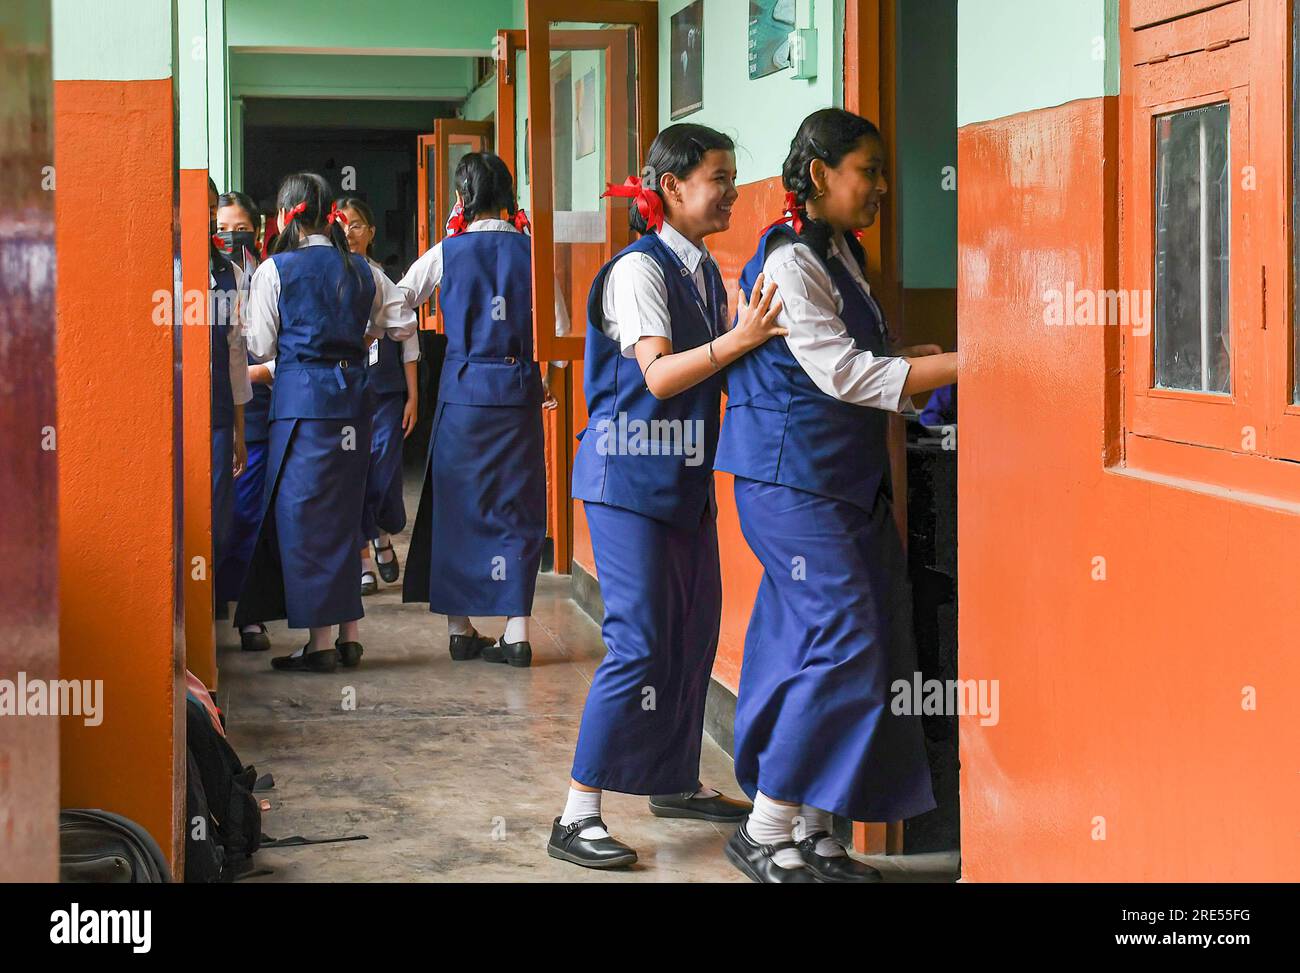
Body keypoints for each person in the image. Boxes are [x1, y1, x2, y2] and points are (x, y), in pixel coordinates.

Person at [714, 108, 957, 882]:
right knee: (847, 639)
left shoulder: (843, 254)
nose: (882, 187)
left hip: (841, 479)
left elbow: (865, 359)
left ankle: (815, 830)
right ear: (820, 176)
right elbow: (848, 376)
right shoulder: (790, 264)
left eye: (884, 173)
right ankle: (765, 826)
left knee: (859, 639)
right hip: (792, 481)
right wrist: (970, 360)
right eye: (869, 171)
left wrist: (917, 359)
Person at [547, 124, 786, 870]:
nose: (734, 191)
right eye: (720, 177)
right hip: (626, 481)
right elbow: (657, 376)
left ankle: (672, 779)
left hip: (679, 478)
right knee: (643, 641)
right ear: (673, 186)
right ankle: (576, 812)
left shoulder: (703, 272)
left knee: (691, 631)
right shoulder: (636, 272)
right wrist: (740, 339)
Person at [234, 172, 417, 672]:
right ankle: (348, 634)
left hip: (303, 406)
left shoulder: (277, 269)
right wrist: (362, 337)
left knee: (305, 520)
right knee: (346, 511)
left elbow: (264, 346)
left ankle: (319, 644)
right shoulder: (361, 269)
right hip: (354, 401)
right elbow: (405, 323)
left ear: (285, 215)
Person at [398, 152, 564, 668]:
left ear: (461, 200)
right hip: (515, 391)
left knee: (459, 506)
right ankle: (516, 633)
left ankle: (460, 628)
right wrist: (543, 381)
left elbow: (398, 302)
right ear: (509, 197)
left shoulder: (447, 253)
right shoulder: (532, 253)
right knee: (516, 507)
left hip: (463, 389)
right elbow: (555, 331)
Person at [336, 196, 419, 595]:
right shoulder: (333, 276)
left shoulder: (384, 278)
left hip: (385, 390)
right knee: (353, 473)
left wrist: (413, 396)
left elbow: (410, 341)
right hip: (347, 390)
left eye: (357, 225)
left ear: (370, 232)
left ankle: (382, 534)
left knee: (384, 472)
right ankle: (364, 557)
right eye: (343, 224)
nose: (349, 232)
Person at [212, 190, 273, 651]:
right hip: (223, 403)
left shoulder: (270, 270)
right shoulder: (211, 272)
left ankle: (249, 614)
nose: (231, 237)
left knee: (249, 513)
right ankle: (215, 597)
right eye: (223, 228)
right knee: (218, 513)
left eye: (241, 229)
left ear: (259, 226)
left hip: (257, 406)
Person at [207, 179, 251, 629]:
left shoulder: (229, 274)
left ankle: (213, 590)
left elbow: (236, 353)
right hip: (177, 413)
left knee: (221, 512)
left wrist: (239, 428)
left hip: (220, 412)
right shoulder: (167, 267)